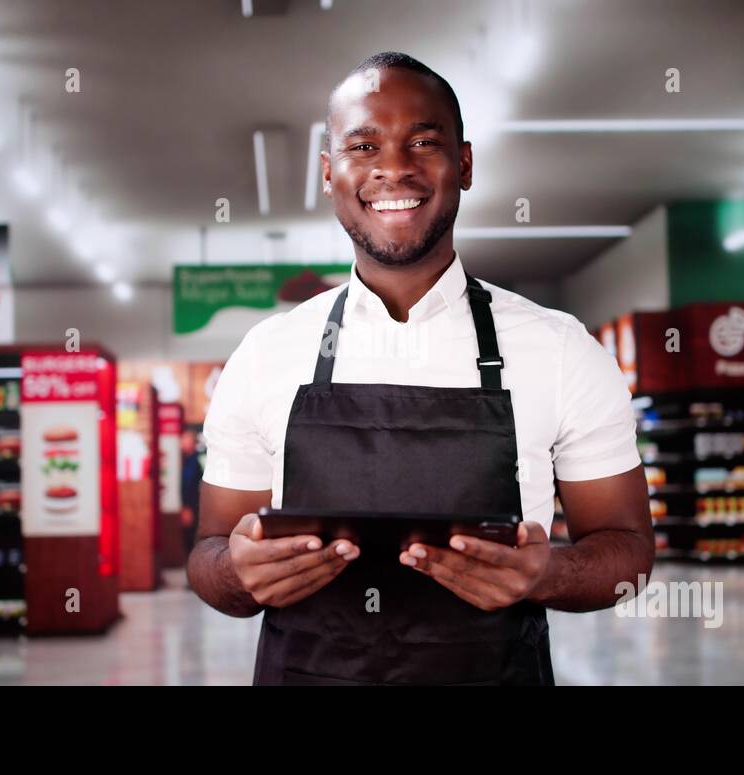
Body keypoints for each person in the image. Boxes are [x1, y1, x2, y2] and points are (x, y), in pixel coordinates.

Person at [187, 52, 653, 685]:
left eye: (423, 141)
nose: (394, 167)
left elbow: (628, 553)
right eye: (363, 145)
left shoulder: (561, 349)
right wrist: (239, 575)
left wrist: (547, 574)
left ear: (463, 163)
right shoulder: (267, 353)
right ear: (329, 173)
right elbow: (209, 553)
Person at [179, 429, 203, 558]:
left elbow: (190, 486)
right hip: (191, 506)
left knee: (192, 538)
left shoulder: (194, 462)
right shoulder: (187, 460)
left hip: (193, 507)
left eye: (184, 439)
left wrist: (188, 507)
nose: (180, 442)